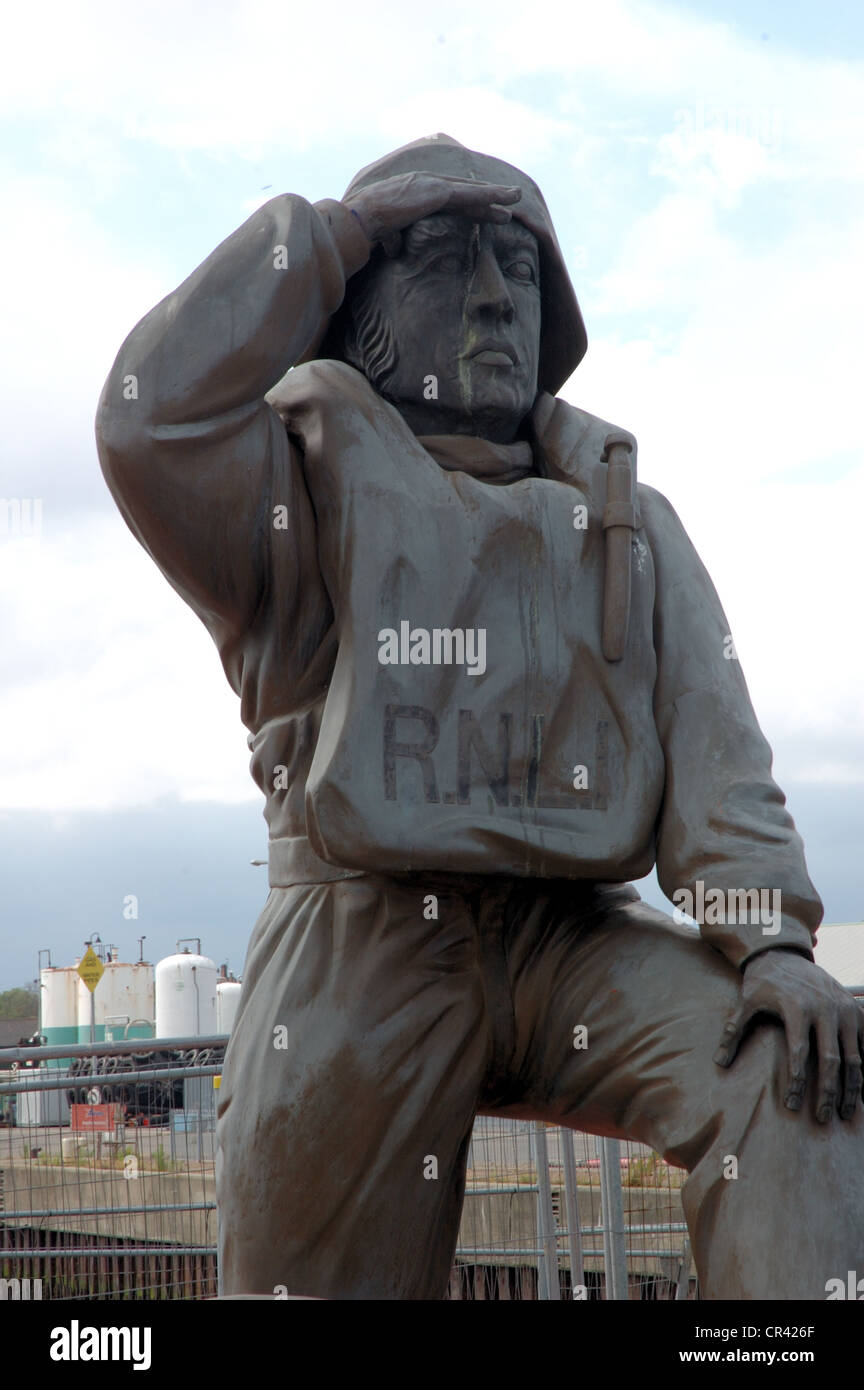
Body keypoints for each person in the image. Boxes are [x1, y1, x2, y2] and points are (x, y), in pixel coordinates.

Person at [96, 135, 864, 1300]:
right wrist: (328, 233)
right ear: (363, 314)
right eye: (449, 259)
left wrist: (772, 942)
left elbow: (721, 763)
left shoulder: (628, 523)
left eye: (520, 262)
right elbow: (147, 421)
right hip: (360, 938)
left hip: (575, 939)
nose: (501, 297)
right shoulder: (291, 491)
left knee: (797, 1076)